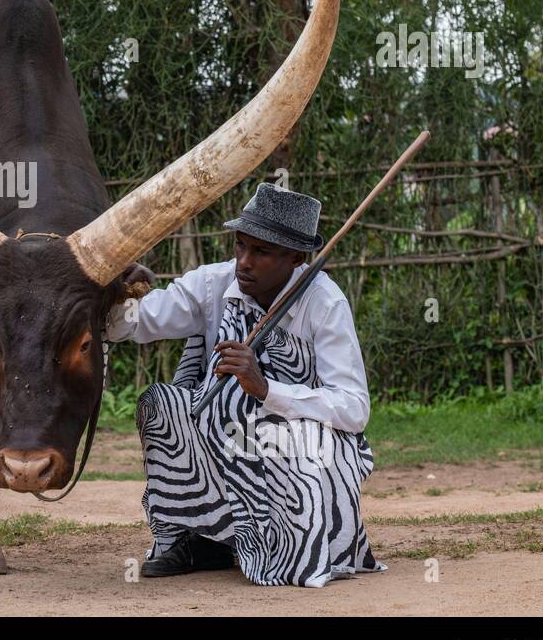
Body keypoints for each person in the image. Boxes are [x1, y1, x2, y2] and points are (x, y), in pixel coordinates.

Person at [105, 182, 387, 588]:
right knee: (161, 403)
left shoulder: (325, 304)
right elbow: (131, 325)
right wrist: (117, 292)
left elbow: (354, 408)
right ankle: (194, 538)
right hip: (222, 429)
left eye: (262, 252)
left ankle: (274, 542)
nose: (244, 262)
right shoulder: (212, 284)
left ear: (296, 257)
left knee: (288, 459)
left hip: (303, 439)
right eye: (241, 246)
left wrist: (267, 389)